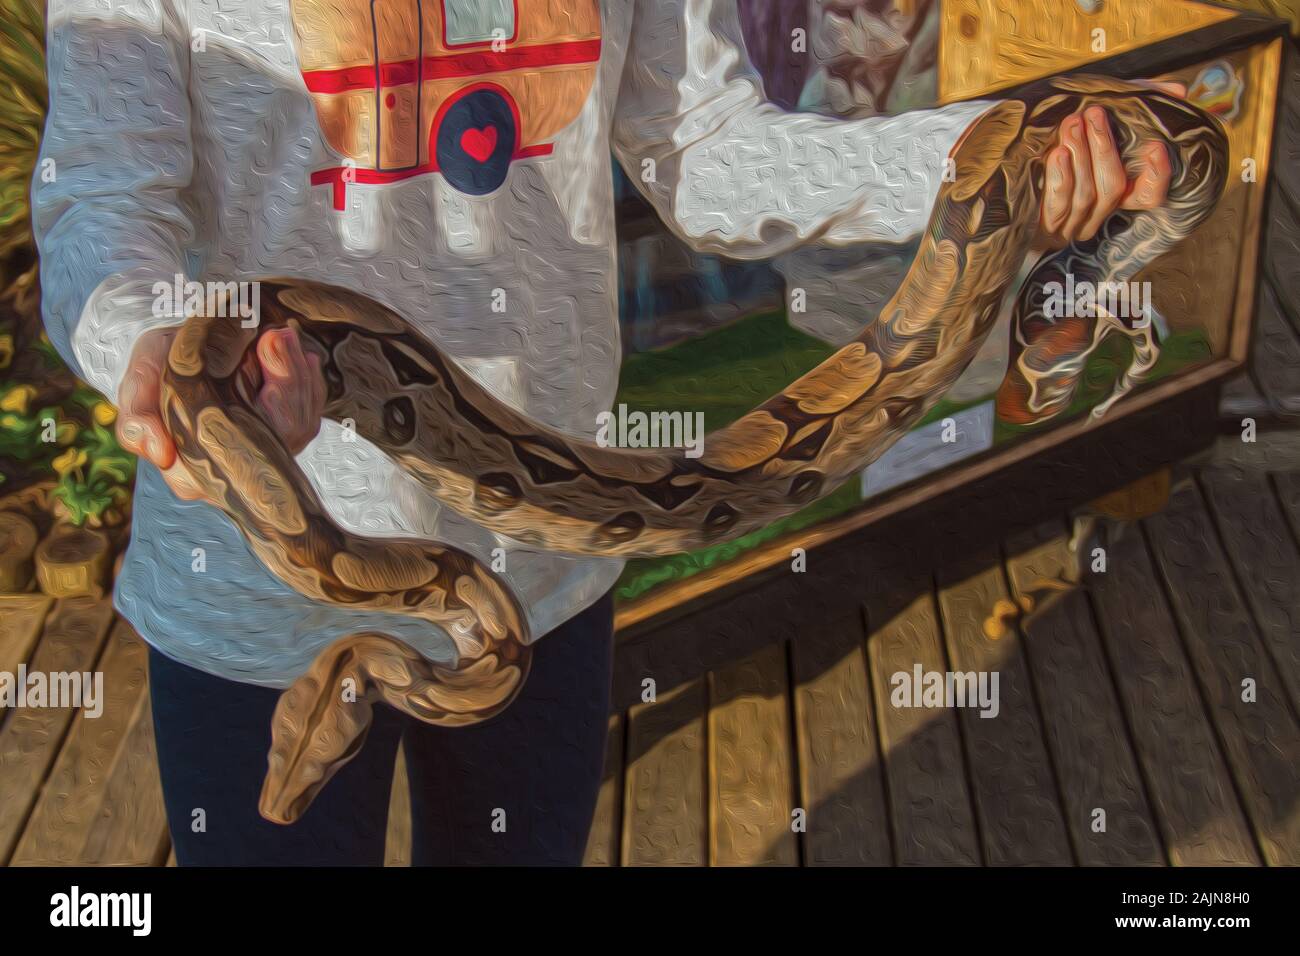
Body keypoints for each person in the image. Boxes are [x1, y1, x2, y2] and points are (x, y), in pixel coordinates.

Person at [34, 0, 1179, 866]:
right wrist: (149, 338)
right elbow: (103, 192)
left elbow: (708, 149)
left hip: (548, 572)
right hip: (251, 598)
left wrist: (995, 151)